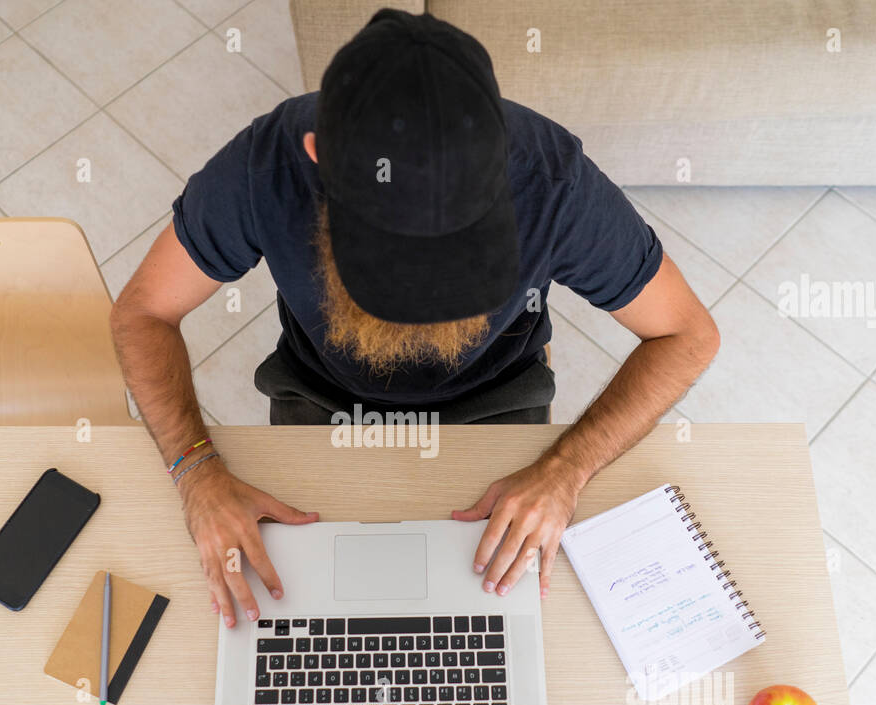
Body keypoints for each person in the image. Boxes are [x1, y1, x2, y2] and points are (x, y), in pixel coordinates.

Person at [110, 8, 719, 630]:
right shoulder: (264, 168)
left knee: (513, 621)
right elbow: (143, 312)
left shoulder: (552, 182)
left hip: (496, 399)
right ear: (322, 156)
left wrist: (567, 470)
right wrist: (194, 470)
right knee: (291, 610)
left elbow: (686, 335)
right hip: (318, 398)